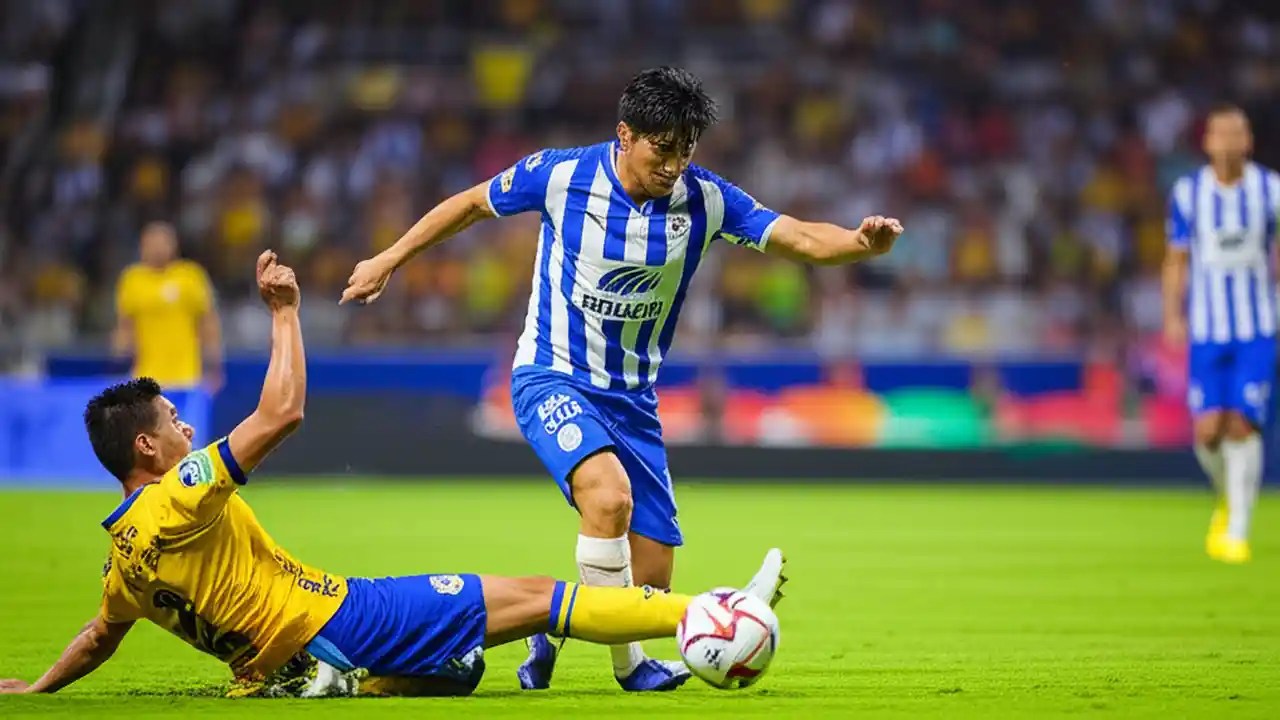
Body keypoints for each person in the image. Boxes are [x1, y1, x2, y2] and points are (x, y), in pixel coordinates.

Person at [0, 252, 785, 698]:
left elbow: (99, 636)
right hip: (337, 619)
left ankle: (371, 679)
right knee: (538, 595)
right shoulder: (179, 493)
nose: (186, 428)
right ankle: (711, 613)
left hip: (275, 666)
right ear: (146, 449)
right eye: (173, 422)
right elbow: (282, 413)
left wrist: (38, 688)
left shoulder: (123, 561)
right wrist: (285, 312)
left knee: (464, 667)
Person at [342, 66, 885, 691]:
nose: (674, 165)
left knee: (645, 587)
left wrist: (858, 243)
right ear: (625, 135)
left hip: (632, 403)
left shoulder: (706, 200)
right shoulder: (561, 175)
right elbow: (469, 204)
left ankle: (547, 627)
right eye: (663, 148)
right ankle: (633, 670)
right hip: (551, 377)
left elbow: (799, 236)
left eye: (686, 150)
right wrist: (388, 259)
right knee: (608, 500)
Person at [1163, 104, 1280, 564]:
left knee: (1242, 423)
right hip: (1208, 328)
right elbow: (1176, 259)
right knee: (1208, 431)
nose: (1229, 141)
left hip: (1258, 326)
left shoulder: (1270, 190)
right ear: (1207, 142)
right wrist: (1173, 315)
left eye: (1237, 133)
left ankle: (1237, 531)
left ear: (1248, 141)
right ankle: (1228, 494)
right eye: (1221, 133)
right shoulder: (1188, 193)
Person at [113, 221, 223, 444]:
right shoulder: (132, 280)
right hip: (146, 379)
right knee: (148, 442)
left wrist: (214, 366)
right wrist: (119, 355)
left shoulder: (190, 276)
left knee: (188, 441)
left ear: (174, 245)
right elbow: (125, 327)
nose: (157, 248)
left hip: (187, 377)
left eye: (162, 242)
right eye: (151, 243)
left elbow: (208, 323)